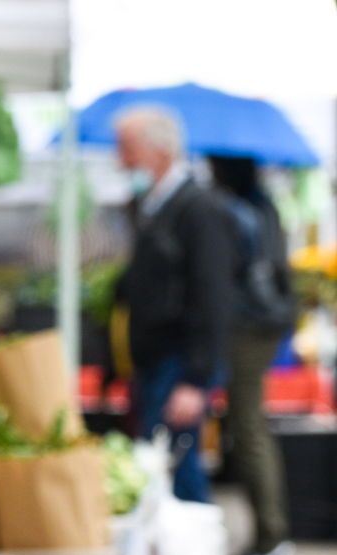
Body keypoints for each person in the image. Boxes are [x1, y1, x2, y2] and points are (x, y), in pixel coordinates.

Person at [115, 107, 235, 502]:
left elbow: (213, 297)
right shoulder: (149, 207)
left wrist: (196, 380)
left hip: (179, 361)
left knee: (179, 470)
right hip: (152, 360)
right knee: (159, 467)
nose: (122, 160)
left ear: (160, 152)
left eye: (128, 149)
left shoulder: (199, 210)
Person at [209, 155, 296, 555]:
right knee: (246, 426)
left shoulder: (239, 210)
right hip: (262, 322)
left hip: (249, 324)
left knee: (248, 428)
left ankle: (271, 539)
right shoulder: (262, 205)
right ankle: (269, 537)